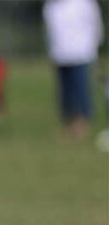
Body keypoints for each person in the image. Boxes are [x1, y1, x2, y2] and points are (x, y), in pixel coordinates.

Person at [44, 0, 104, 141]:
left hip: (80, 52)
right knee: (65, 92)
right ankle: (69, 124)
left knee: (80, 89)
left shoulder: (84, 3)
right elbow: (50, 32)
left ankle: (82, 125)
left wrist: (95, 45)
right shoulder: (51, 6)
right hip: (60, 54)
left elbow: (95, 25)